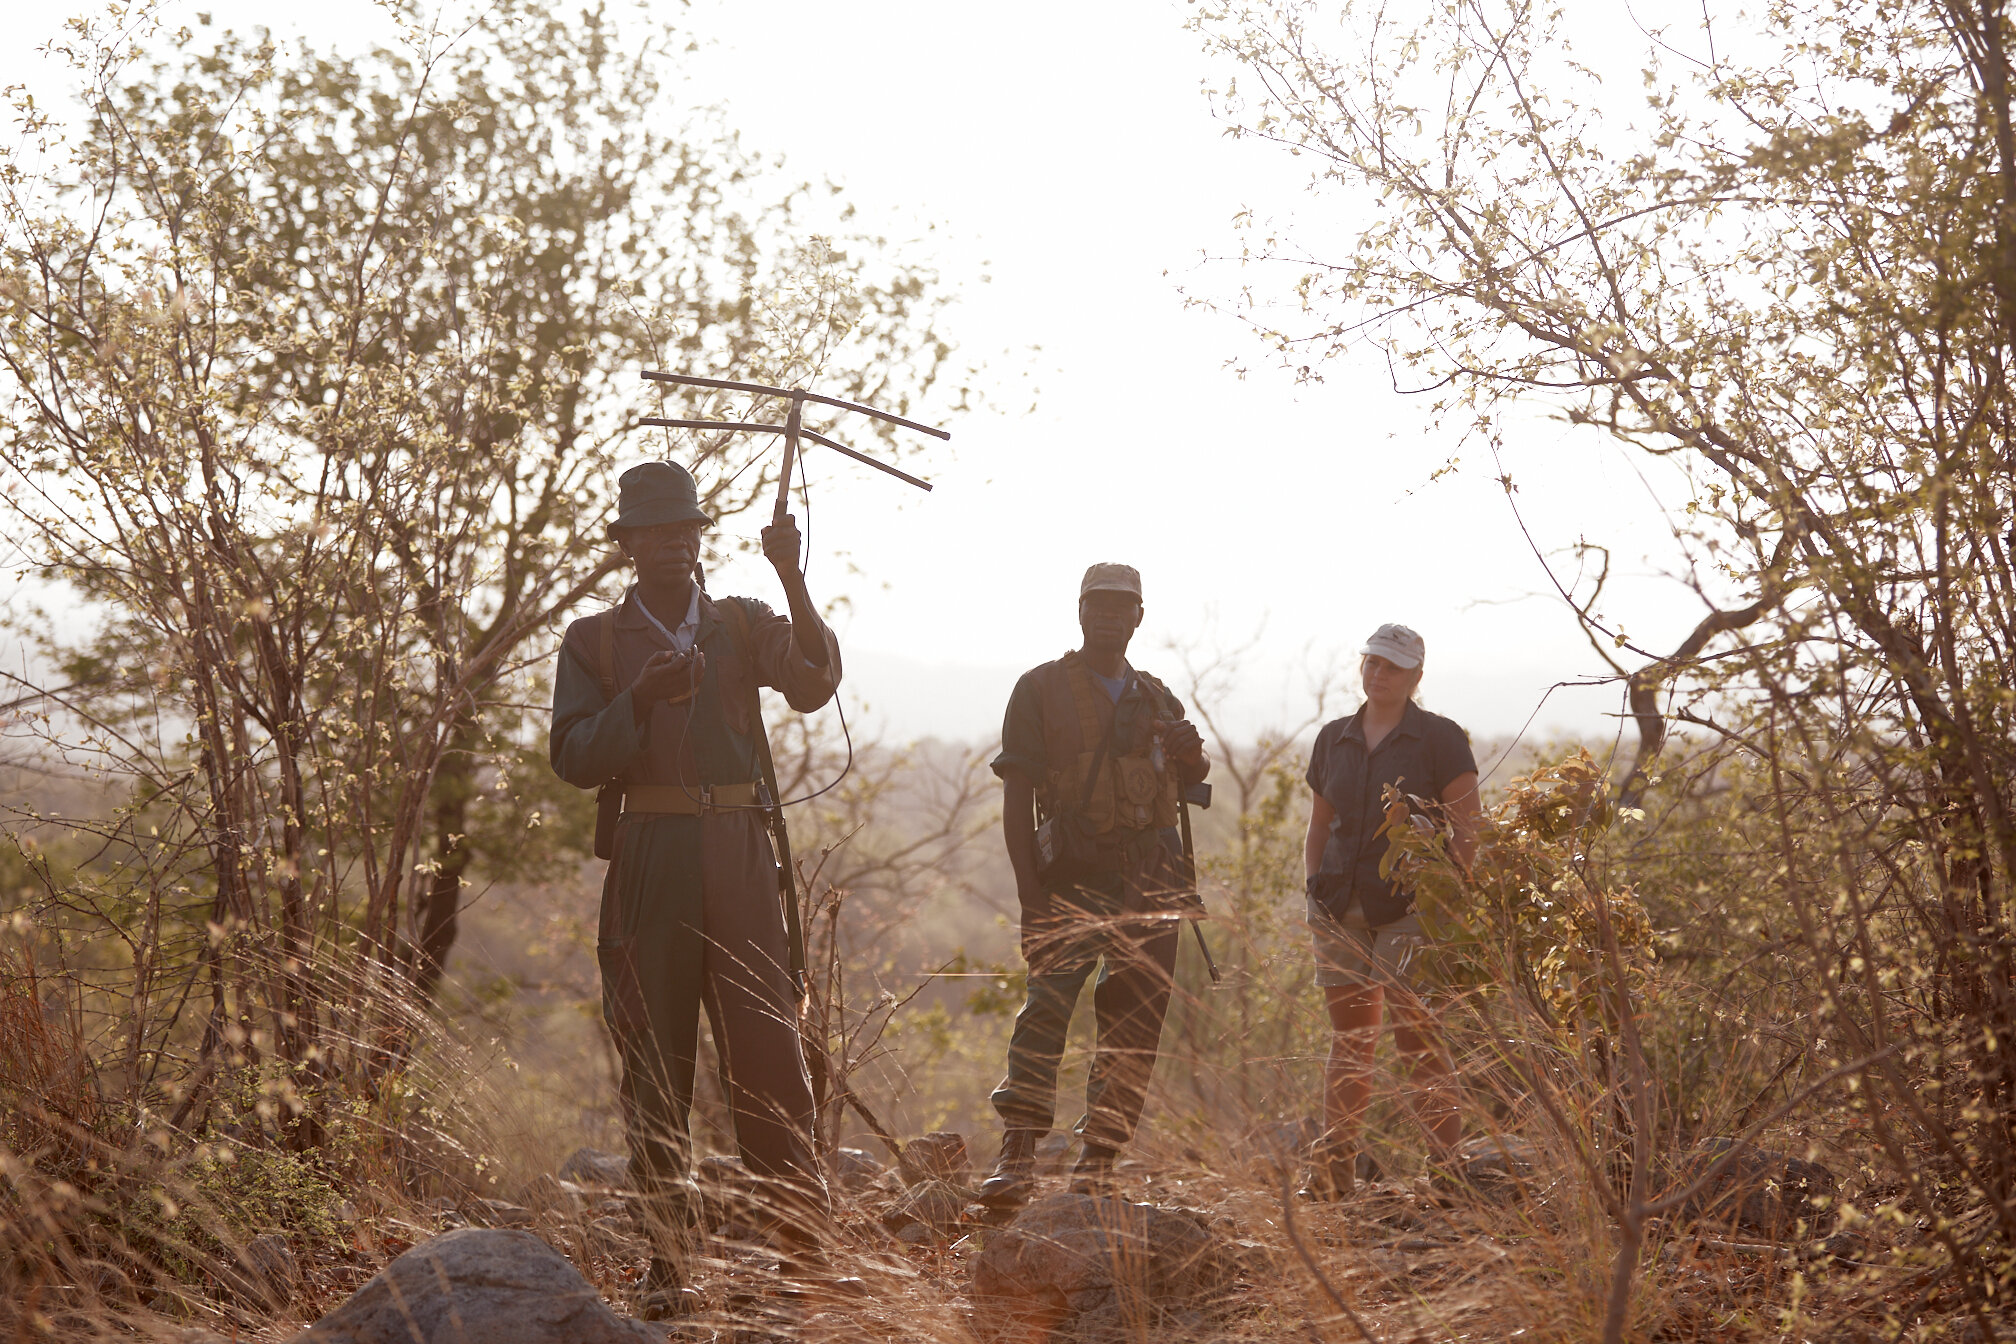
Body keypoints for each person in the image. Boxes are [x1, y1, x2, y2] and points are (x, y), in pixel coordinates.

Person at [548, 461, 840, 1317]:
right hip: (650, 856)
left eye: (686, 528)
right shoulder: (593, 641)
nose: (674, 543)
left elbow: (815, 684)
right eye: (655, 531)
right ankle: (669, 1265)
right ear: (629, 545)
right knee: (653, 1059)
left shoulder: (742, 621)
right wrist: (639, 701)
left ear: (699, 538)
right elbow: (573, 757)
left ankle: (803, 1258)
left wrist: (791, 574)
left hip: (740, 851)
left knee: (770, 1055)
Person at [975, 563, 1211, 1214]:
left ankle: (1099, 1160)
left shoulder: (1157, 697)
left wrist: (1190, 752)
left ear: (1139, 617)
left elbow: (1191, 780)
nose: (1108, 616)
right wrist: (1030, 898)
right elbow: (1017, 795)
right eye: (1097, 605)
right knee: (1046, 1008)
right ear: (1080, 612)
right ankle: (1018, 1152)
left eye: (1121, 606)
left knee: (1134, 1021)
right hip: (1072, 878)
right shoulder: (1040, 689)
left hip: (1152, 880)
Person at [1300, 623, 1481, 1199]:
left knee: (1417, 1041)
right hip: (1338, 907)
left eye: (1393, 667)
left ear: (1416, 676)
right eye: (1373, 662)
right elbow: (1319, 824)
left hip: (1412, 909)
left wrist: (1444, 902)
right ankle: (1334, 1174)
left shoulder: (1441, 738)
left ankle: (1446, 1176)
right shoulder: (1333, 737)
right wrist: (1313, 887)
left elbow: (1468, 829)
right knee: (1350, 1042)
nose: (1379, 674)